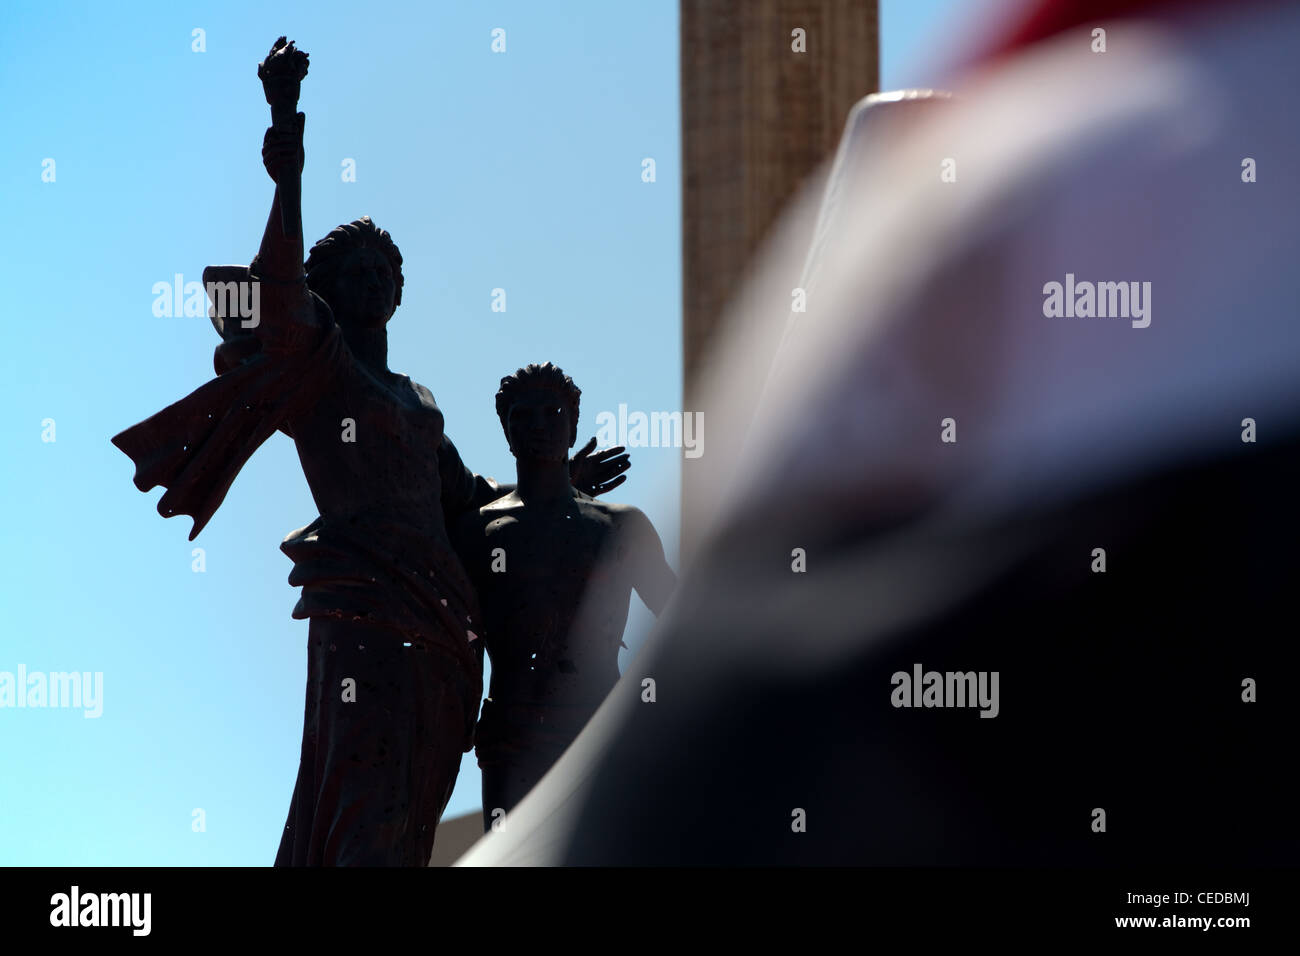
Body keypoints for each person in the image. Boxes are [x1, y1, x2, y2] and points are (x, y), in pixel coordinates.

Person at [112, 39, 629, 866]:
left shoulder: (418, 402)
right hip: (368, 608)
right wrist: (288, 156)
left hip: (442, 632)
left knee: (410, 814)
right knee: (363, 801)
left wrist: (557, 480)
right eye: (350, 270)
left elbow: (466, 498)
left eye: (383, 269)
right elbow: (273, 294)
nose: (370, 279)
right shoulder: (322, 369)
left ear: (398, 289)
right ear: (326, 288)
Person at [453, 363, 676, 832]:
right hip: (511, 736)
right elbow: (460, 645)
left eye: (553, 413)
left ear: (574, 426)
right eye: (523, 416)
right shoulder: (478, 533)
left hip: (599, 728)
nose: (539, 425)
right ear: (507, 432)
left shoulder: (620, 526)